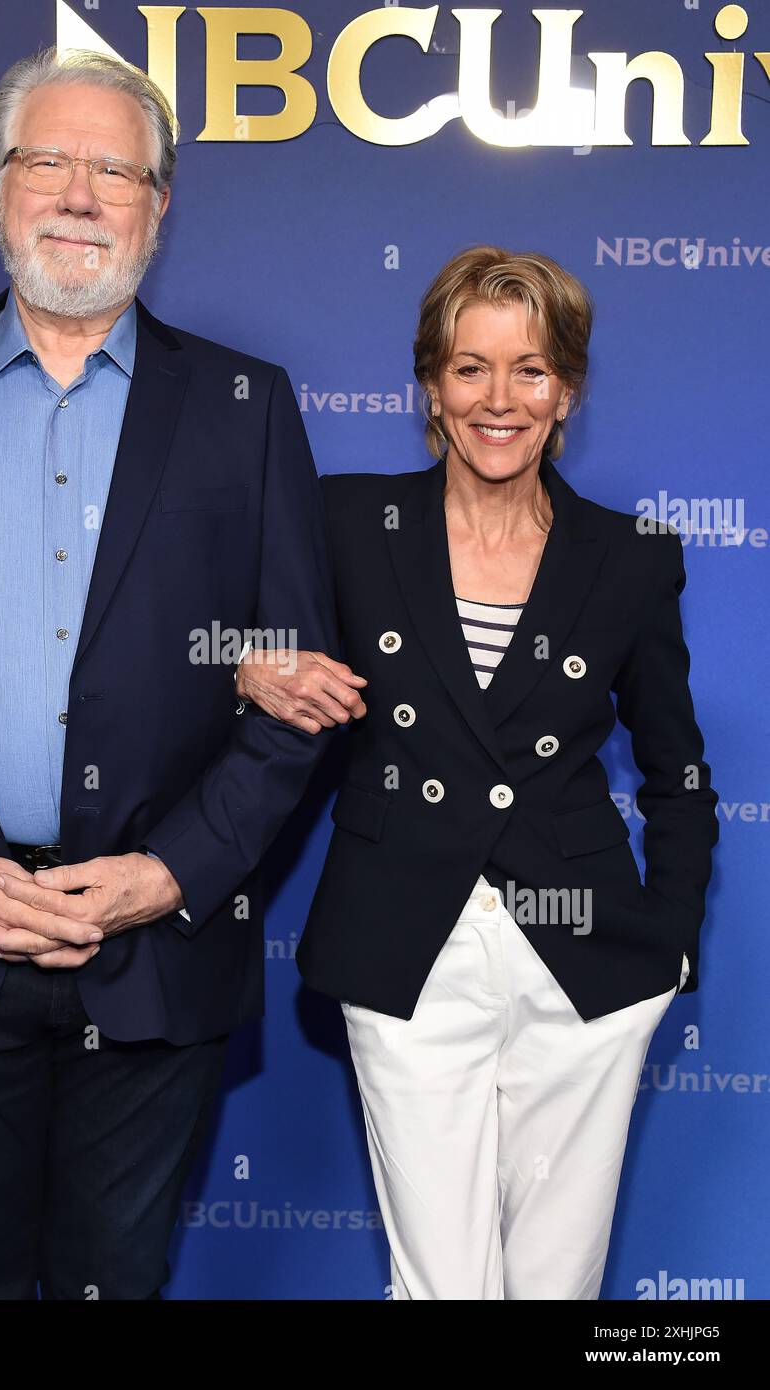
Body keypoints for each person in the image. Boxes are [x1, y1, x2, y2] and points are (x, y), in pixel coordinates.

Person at [0, 46, 337, 1300]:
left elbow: (293, 698)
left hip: (150, 955)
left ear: (159, 204)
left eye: (116, 169)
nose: (80, 194)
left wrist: (166, 875)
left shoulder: (246, 406)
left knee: (116, 1284)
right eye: (50, 161)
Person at [235, 246, 719, 1299]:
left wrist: (670, 943)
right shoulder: (348, 524)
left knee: (560, 1284)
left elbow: (679, 773)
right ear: (430, 383)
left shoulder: (632, 555)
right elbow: (219, 634)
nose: (499, 401)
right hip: (407, 945)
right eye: (470, 368)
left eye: (531, 370)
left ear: (569, 390)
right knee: (443, 1286)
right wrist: (246, 663)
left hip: (588, 955)